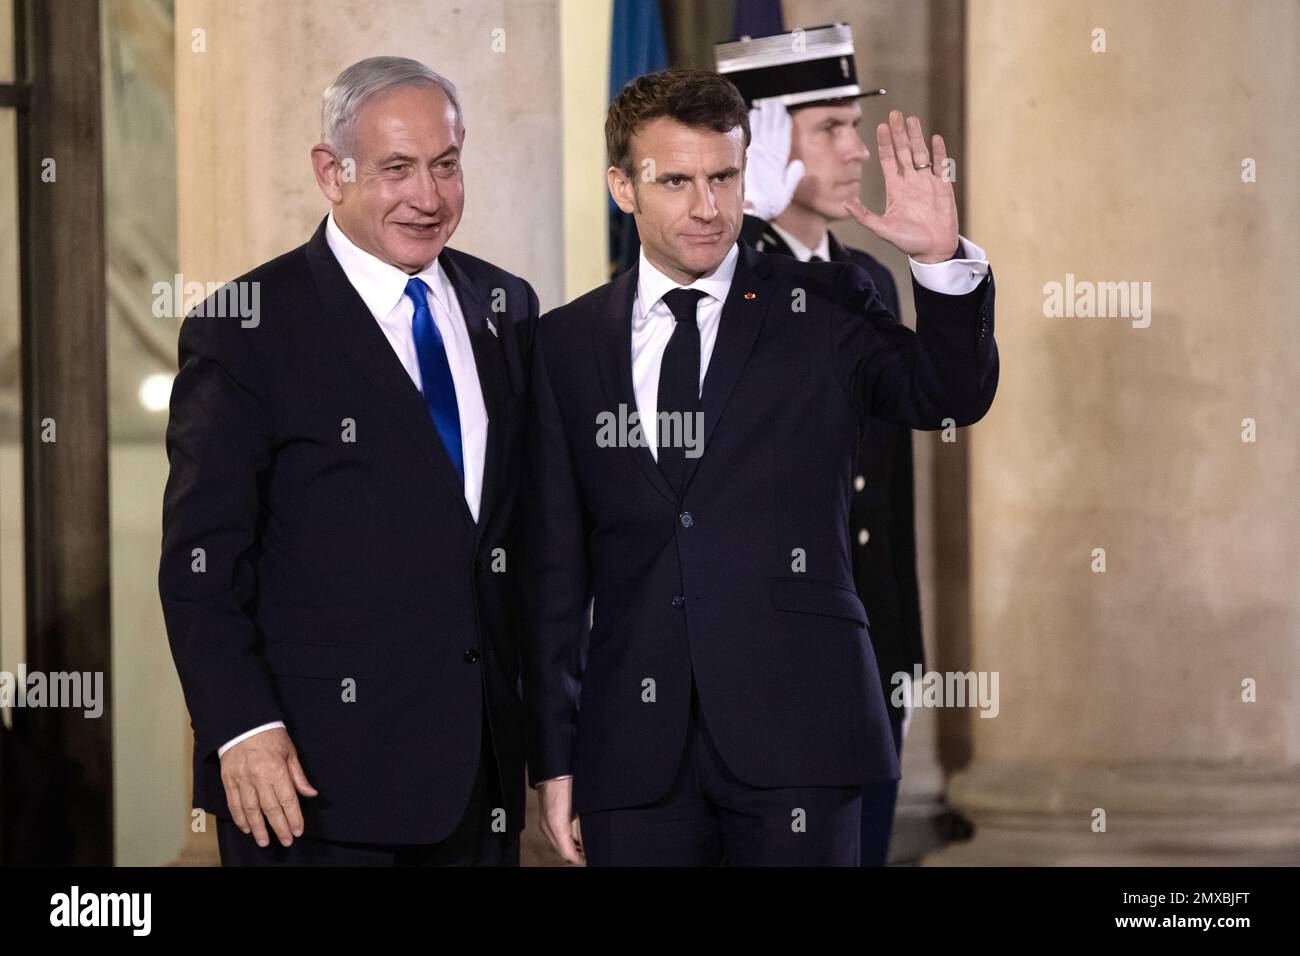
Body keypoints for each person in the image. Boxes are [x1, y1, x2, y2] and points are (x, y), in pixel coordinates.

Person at [523, 66, 996, 866]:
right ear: (622, 186)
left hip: (801, 739)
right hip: (634, 755)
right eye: (675, 181)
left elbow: (947, 395)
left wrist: (942, 264)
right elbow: (553, 571)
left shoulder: (826, 302)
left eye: (724, 177)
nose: (707, 207)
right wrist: (555, 756)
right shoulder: (564, 345)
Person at [159, 56, 537, 866]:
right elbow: (200, 563)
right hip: (309, 791)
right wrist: (240, 728)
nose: (429, 198)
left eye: (446, 165)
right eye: (397, 169)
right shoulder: (244, 329)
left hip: (481, 787)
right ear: (332, 173)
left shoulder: (506, 307)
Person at [719, 22, 924, 866]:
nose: (856, 151)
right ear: (762, 141)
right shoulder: (714, 283)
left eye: (855, 124)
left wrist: (901, 647)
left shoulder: (864, 279)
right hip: (765, 660)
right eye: (828, 128)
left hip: (871, 638)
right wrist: (745, 234)